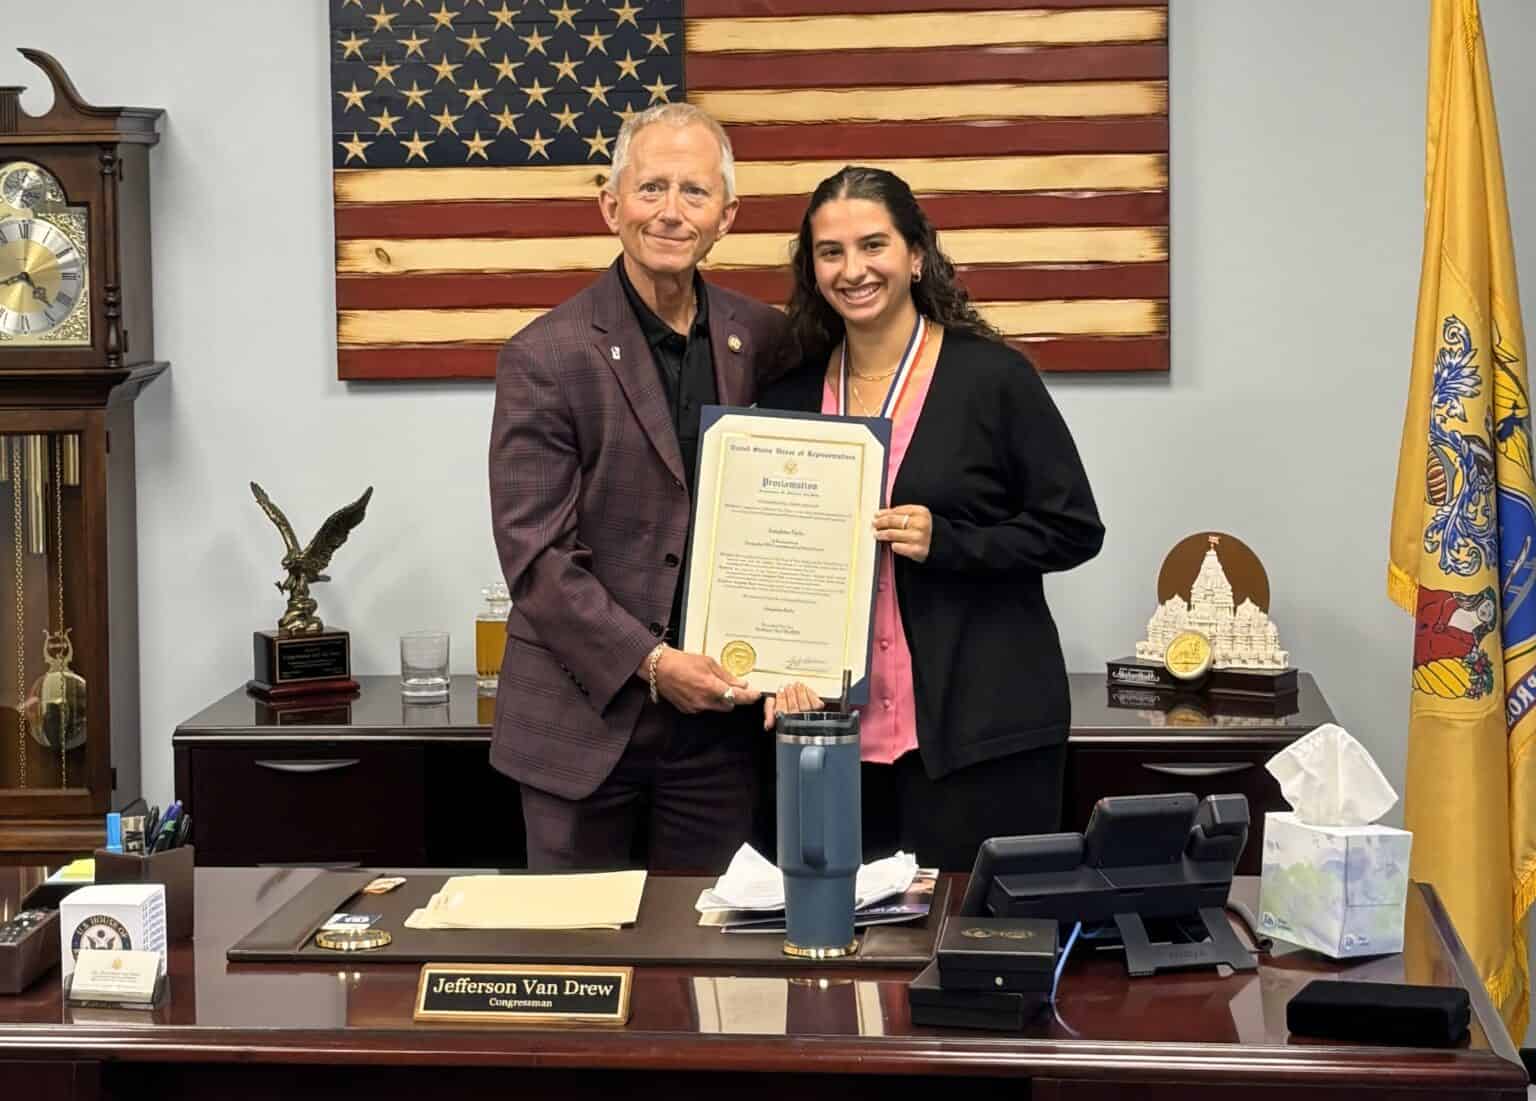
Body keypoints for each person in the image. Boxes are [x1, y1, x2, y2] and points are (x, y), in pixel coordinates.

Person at [759, 166, 1105, 871]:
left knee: (972, 958)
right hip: (836, 740)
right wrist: (771, 664)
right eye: (831, 252)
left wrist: (949, 540)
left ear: (916, 255)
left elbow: (1074, 527)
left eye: (873, 245)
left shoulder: (993, 379)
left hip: (980, 740)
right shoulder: (789, 398)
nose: (853, 269)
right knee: (844, 959)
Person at [488, 104, 788, 872]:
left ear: (728, 215)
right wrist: (653, 663)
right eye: (651, 187)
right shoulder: (544, 356)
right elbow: (536, 559)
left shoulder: (766, 338)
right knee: (580, 966)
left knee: (706, 967)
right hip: (579, 726)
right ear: (610, 203)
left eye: (694, 191)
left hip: (721, 734)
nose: (671, 211)